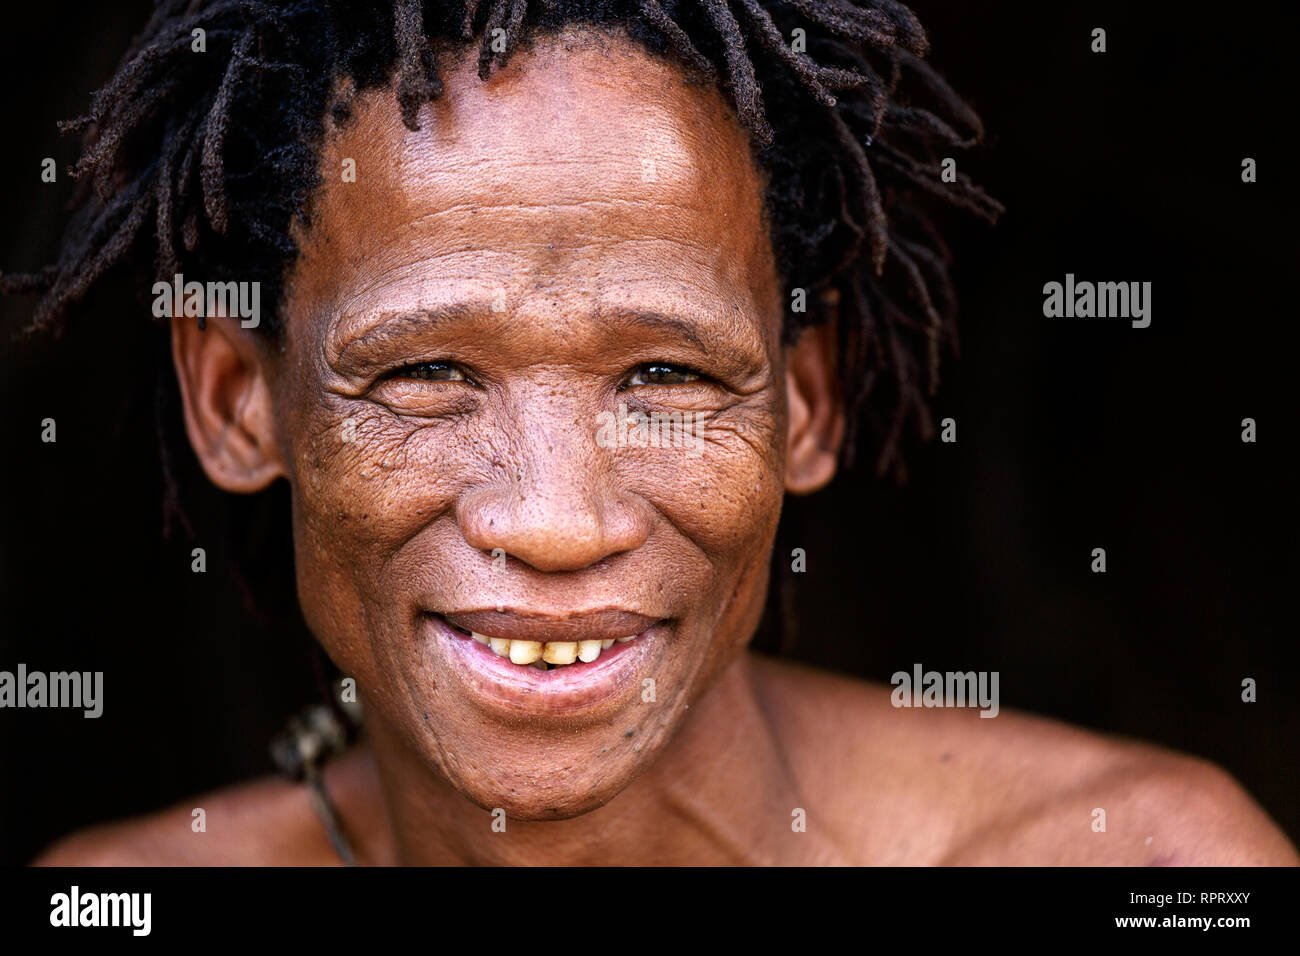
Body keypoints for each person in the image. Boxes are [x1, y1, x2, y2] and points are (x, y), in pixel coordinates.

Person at [8, 0, 1295, 865]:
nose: (558, 517)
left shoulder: (1142, 867)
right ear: (236, 397)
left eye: (668, 373)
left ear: (805, 400)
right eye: (429, 371)